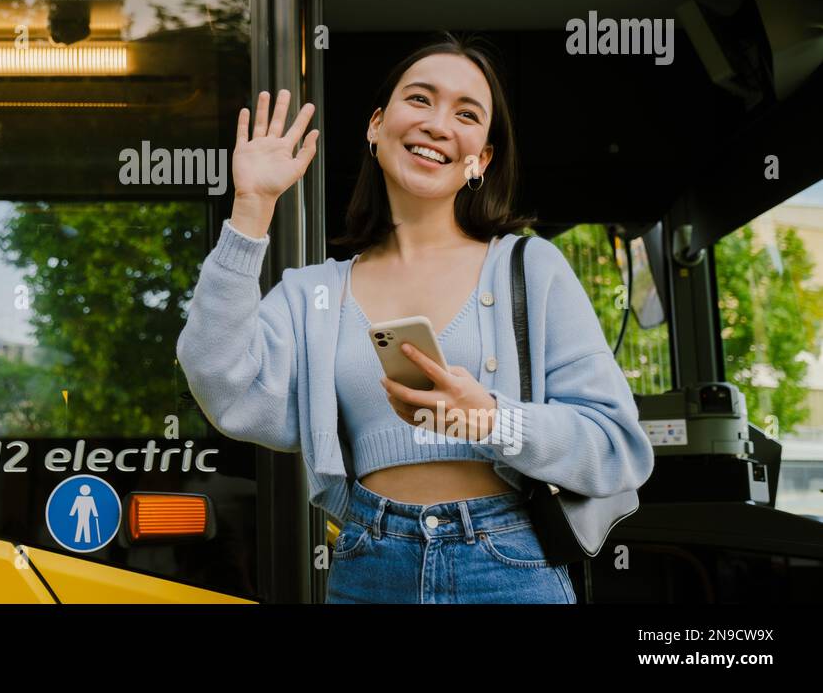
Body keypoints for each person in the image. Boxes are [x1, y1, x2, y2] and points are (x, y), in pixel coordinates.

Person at [175, 32, 654, 603]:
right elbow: (219, 380)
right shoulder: (314, 295)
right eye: (420, 99)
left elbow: (618, 449)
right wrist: (252, 207)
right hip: (369, 563)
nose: (437, 124)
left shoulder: (530, 269)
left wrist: (492, 420)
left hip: (508, 565)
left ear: (483, 158)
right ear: (377, 125)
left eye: (467, 113)